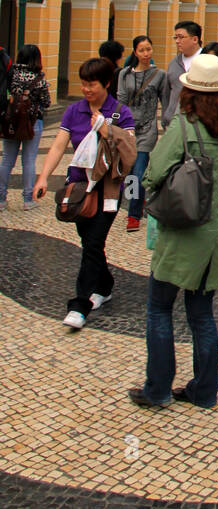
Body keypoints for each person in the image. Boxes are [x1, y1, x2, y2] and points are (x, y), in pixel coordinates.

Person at [129, 54, 218, 408]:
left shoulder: (184, 126)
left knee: (159, 307)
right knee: (201, 313)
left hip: (183, 231)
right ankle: (204, 390)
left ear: (189, 91)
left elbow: (153, 174)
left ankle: (158, 389)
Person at [34, 57, 136, 330]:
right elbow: (58, 146)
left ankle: (80, 305)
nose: (86, 89)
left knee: (92, 243)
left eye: (91, 84)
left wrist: (108, 131)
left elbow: (130, 152)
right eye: (83, 84)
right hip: (79, 189)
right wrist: (43, 177)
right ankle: (105, 284)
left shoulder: (120, 113)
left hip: (108, 189)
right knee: (89, 242)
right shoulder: (74, 111)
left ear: (105, 84)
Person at [116, 35, 165, 233]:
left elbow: (165, 100)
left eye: (149, 49)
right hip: (128, 129)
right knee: (129, 172)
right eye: (142, 50)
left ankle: (133, 215)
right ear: (135, 52)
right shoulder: (124, 74)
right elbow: (120, 100)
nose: (146, 53)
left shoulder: (159, 74)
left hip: (147, 129)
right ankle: (135, 201)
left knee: (138, 171)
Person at [0, 44, 51, 209]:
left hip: (12, 121)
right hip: (33, 122)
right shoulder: (39, 79)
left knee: (7, 160)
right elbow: (46, 102)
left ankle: (1, 198)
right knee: (29, 160)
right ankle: (28, 200)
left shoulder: (12, 75)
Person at [162, 21, 203, 127]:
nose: (177, 41)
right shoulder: (174, 63)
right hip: (174, 122)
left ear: (195, 39)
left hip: (199, 123)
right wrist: (166, 117)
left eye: (181, 37)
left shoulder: (206, 62)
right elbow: (167, 93)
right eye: (175, 38)